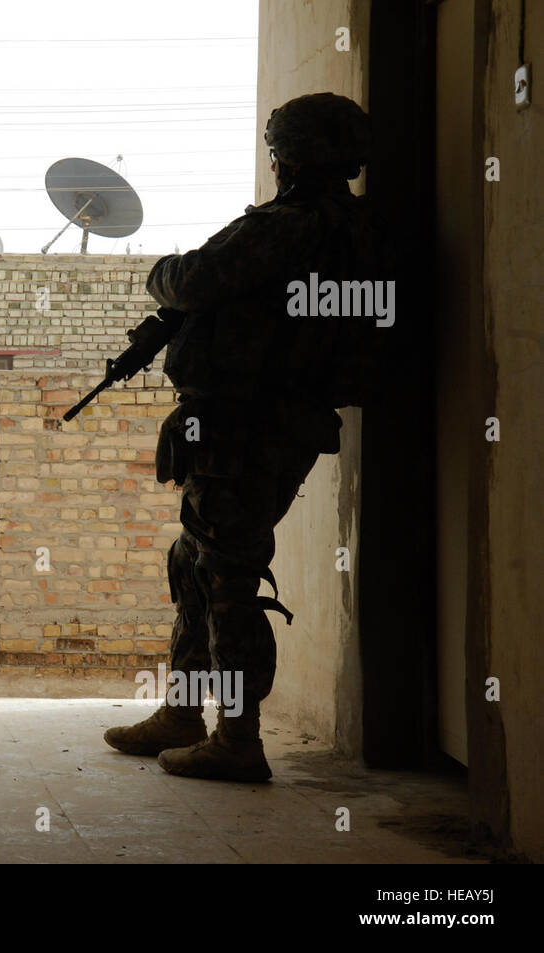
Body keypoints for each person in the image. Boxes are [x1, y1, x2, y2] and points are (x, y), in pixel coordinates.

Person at [103, 92, 384, 781]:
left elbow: (190, 278)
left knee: (225, 571)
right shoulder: (356, 227)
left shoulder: (287, 225)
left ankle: (236, 734)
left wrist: (160, 272)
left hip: (247, 422)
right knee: (195, 557)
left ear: (285, 157)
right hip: (274, 419)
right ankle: (184, 709)